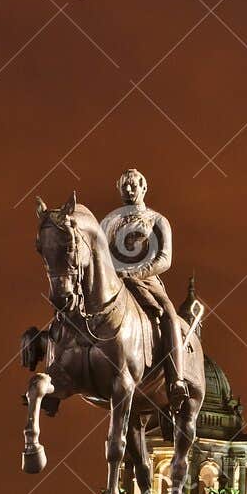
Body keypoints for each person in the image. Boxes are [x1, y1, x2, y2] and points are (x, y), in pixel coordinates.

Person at [106, 169, 186, 401]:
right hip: (113, 280)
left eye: (133, 186)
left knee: (170, 316)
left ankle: (177, 379)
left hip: (146, 281)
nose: (129, 190)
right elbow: (98, 253)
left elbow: (165, 259)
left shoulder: (158, 220)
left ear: (144, 188)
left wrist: (135, 273)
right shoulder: (110, 221)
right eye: (124, 186)